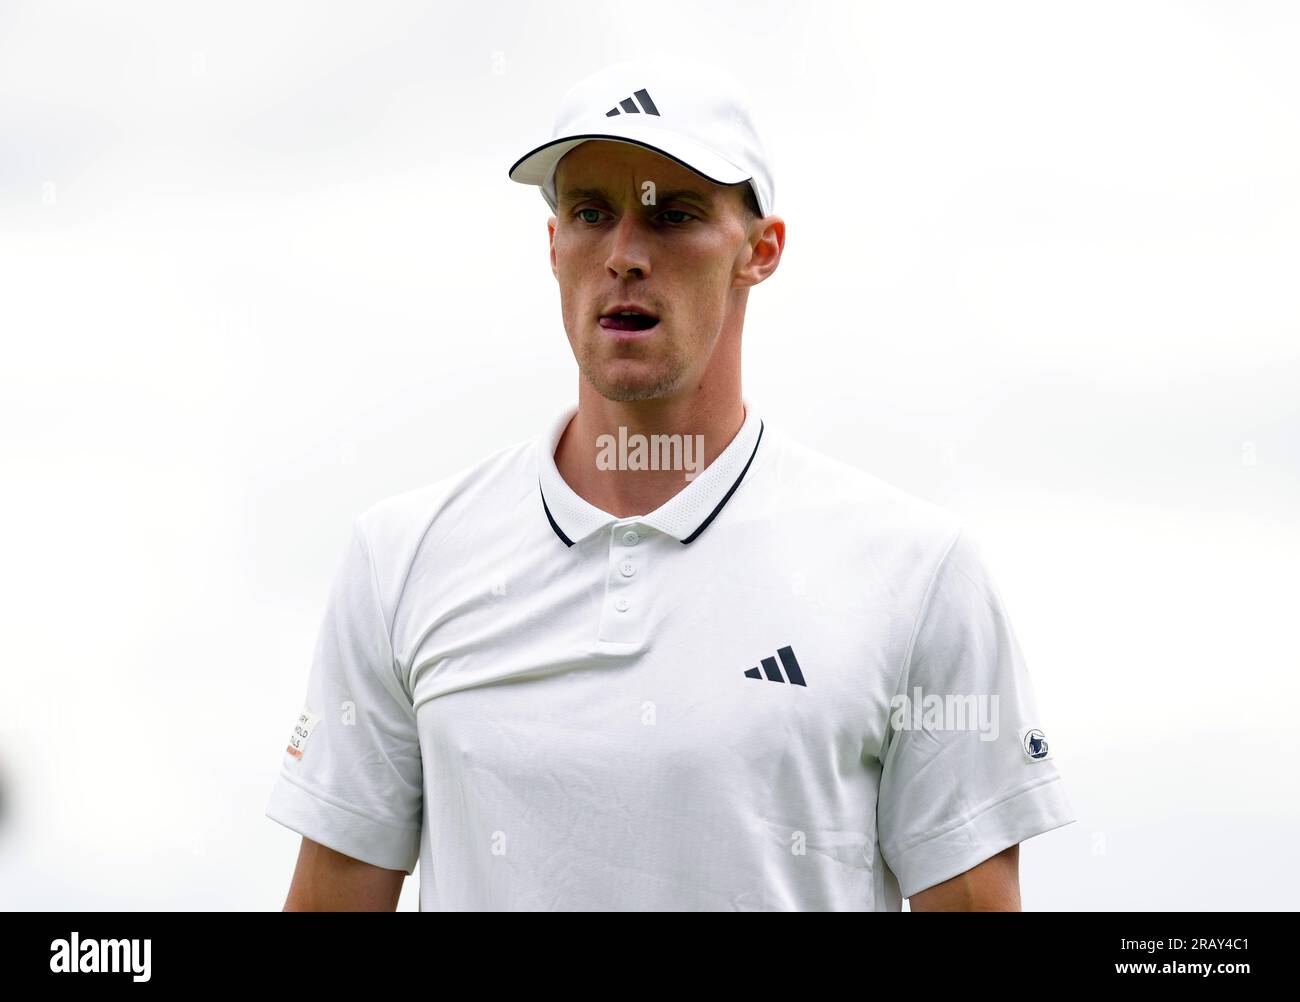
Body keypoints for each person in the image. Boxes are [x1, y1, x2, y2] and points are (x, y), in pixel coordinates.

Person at [266, 53, 1076, 911]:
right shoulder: (402, 558)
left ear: (760, 252)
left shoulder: (915, 573)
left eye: (674, 215)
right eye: (591, 213)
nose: (624, 255)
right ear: (553, 246)